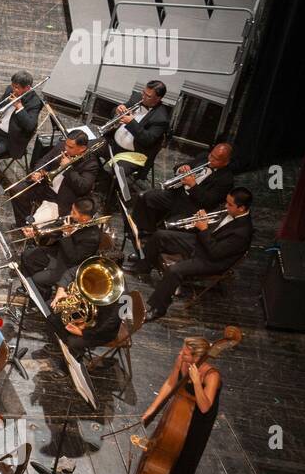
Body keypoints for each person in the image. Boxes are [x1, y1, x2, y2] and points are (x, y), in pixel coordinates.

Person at [128, 187, 253, 322]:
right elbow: (213, 229)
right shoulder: (230, 211)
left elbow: (216, 253)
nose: (225, 206)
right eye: (226, 202)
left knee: (174, 271)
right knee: (160, 235)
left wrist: (204, 229)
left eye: (230, 205)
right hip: (202, 243)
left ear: (241, 208)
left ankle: (158, 309)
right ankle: (142, 266)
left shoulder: (243, 232)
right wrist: (202, 218)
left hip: (212, 260)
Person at [139, 332, 234, 474]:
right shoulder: (182, 361)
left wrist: (197, 382)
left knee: (188, 453)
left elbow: (205, 407)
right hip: (182, 407)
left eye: (185, 353)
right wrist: (152, 409)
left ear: (197, 357)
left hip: (200, 416)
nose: (180, 354)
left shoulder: (212, 376)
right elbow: (170, 383)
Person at [127, 142, 234, 248]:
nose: (211, 159)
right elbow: (177, 168)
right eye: (211, 155)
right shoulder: (204, 157)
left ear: (226, 162)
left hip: (193, 207)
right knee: (147, 197)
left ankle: (151, 246)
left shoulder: (226, 180)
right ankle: (143, 233)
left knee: (169, 226)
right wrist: (182, 168)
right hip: (178, 195)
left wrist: (193, 185)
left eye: (216, 159)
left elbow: (208, 201)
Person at [18, 197, 103, 298]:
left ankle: (40, 301)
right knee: (27, 256)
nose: (71, 214)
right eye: (72, 209)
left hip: (68, 267)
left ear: (84, 218)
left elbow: (74, 258)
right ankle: (32, 289)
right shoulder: (74, 217)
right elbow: (56, 225)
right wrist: (35, 231)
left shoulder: (92, 237)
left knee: (37, 279)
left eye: (74, 212)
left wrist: (67, 235)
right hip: (57, 252)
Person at [11, 129, 100, 226]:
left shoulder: (91, 164)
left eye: (70, 147)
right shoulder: (61, 146)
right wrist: (38, 172)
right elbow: (44, 160)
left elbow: (83, 187)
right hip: (45, 185)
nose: (65, 148)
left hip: (60, 198)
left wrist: (68, 168)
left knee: (37, 224)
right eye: (66, 144)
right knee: (16, 191)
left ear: (82, 148)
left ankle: (32, 231)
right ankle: (22, 225)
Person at [106, 79, 169, 172]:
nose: (143, 97)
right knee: (88, 151)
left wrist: (131, 123)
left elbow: (147, 140)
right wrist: (117, 110)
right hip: (113, 142)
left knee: (118, 171)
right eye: (143, 92)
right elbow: (114, 114)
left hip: (133, 154)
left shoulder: (161, 118)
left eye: (148, 96)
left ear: (158, 98)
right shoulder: (137, 97)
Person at [46, 287, 122, 360]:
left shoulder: (123, 298)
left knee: (72, 341)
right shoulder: (101, 280)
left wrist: (82, 333)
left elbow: (109, 326)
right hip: (90, 315)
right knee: (54, 314)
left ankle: (74, 356)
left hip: (102, 332)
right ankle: (59, 347)